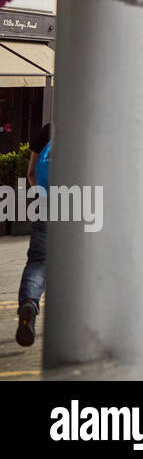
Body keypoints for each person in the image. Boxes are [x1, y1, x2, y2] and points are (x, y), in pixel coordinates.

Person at [15, 124, 51, 347]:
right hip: (85, 204)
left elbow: (31, 172)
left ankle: (29, 301)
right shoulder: (91, 126)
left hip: (47, 202)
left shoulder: (48, 130)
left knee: (38, 261)